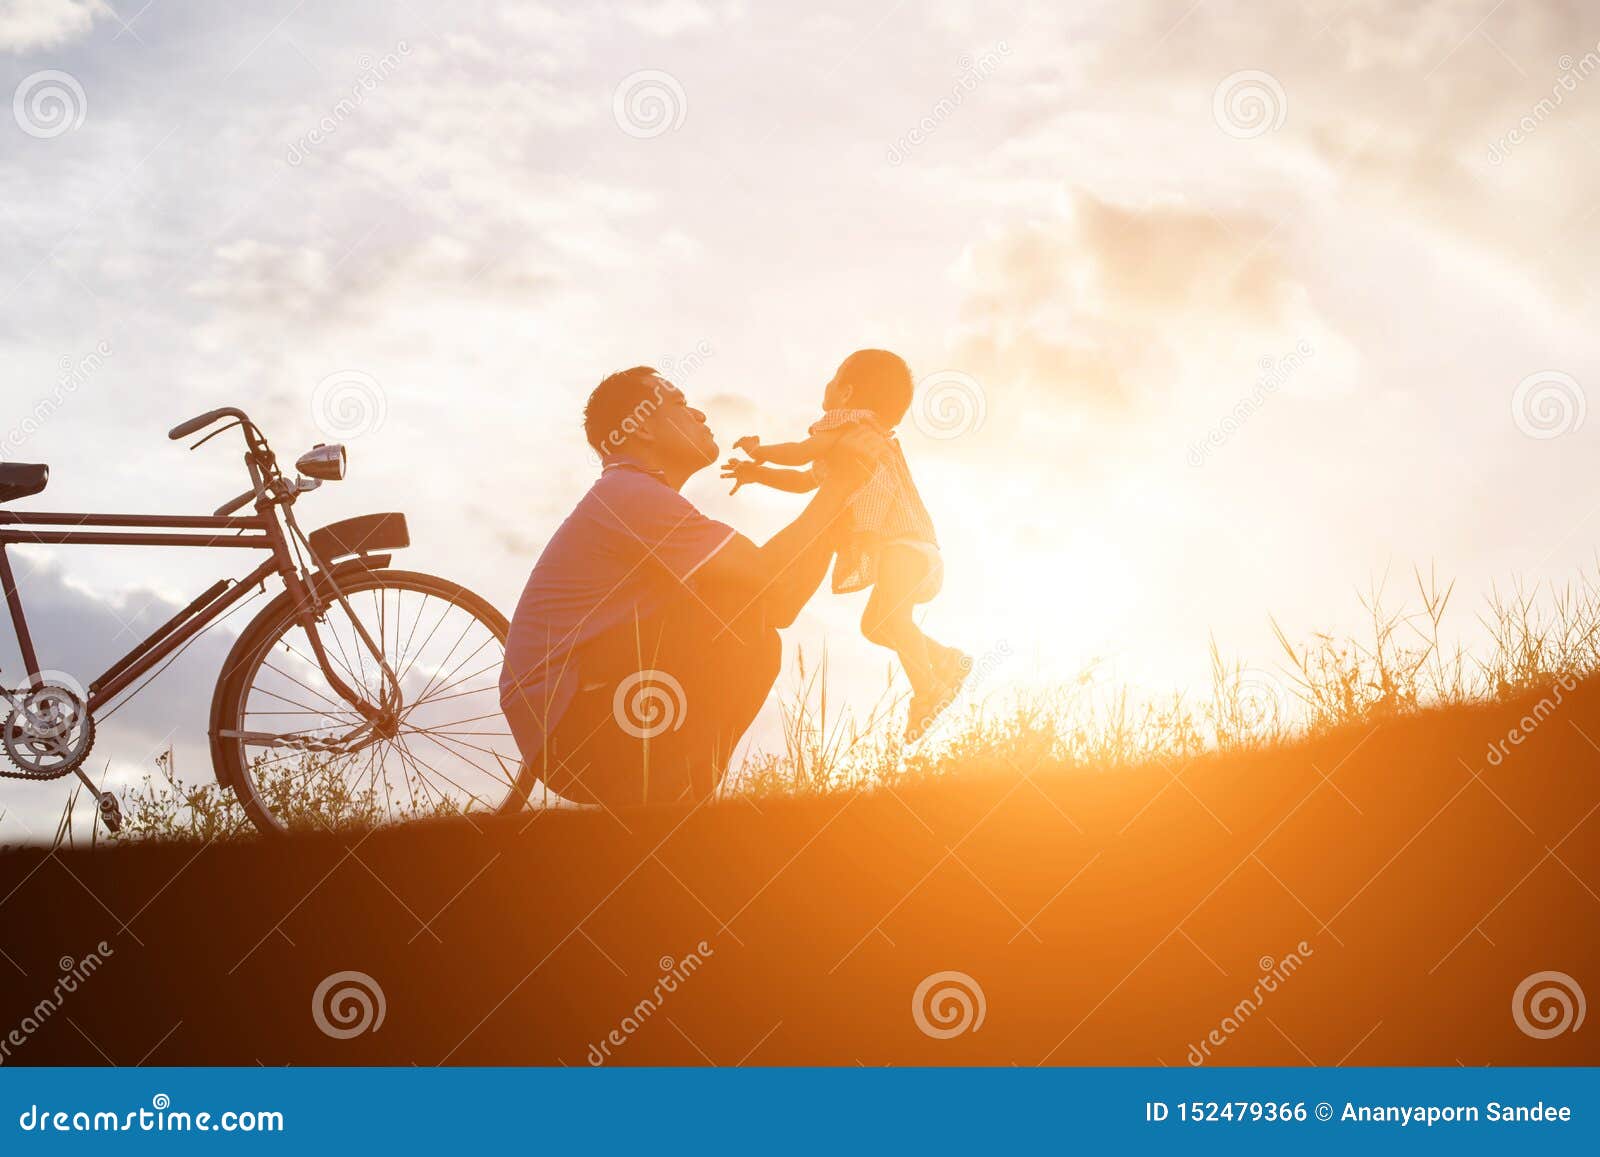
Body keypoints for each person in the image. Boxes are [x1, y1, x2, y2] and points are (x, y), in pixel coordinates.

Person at [499, 366, 870, 812]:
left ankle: (676, 811)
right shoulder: (630, 495)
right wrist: (840, 484)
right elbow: (768, 577)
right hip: (572, 727)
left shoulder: (638, 495)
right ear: (640, 428)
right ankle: (676, 810)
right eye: (679, 403)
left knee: (748, 624)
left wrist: (834, 514)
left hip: (580, 718)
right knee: (737, 617)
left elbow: (778, 605)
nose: (699, 413)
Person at [720, 349, 968, 740]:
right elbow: (805, 481)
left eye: (834, 378)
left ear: (847, 393)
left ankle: (928, 691)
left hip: (900, 547)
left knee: (891, 620)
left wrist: (759, 453)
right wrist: (757, 475)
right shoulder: (867, 440)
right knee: (876, 625)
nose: (828, 384)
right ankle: (947, 660)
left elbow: (800, 454)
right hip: (922, 552)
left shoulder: (849, 423)